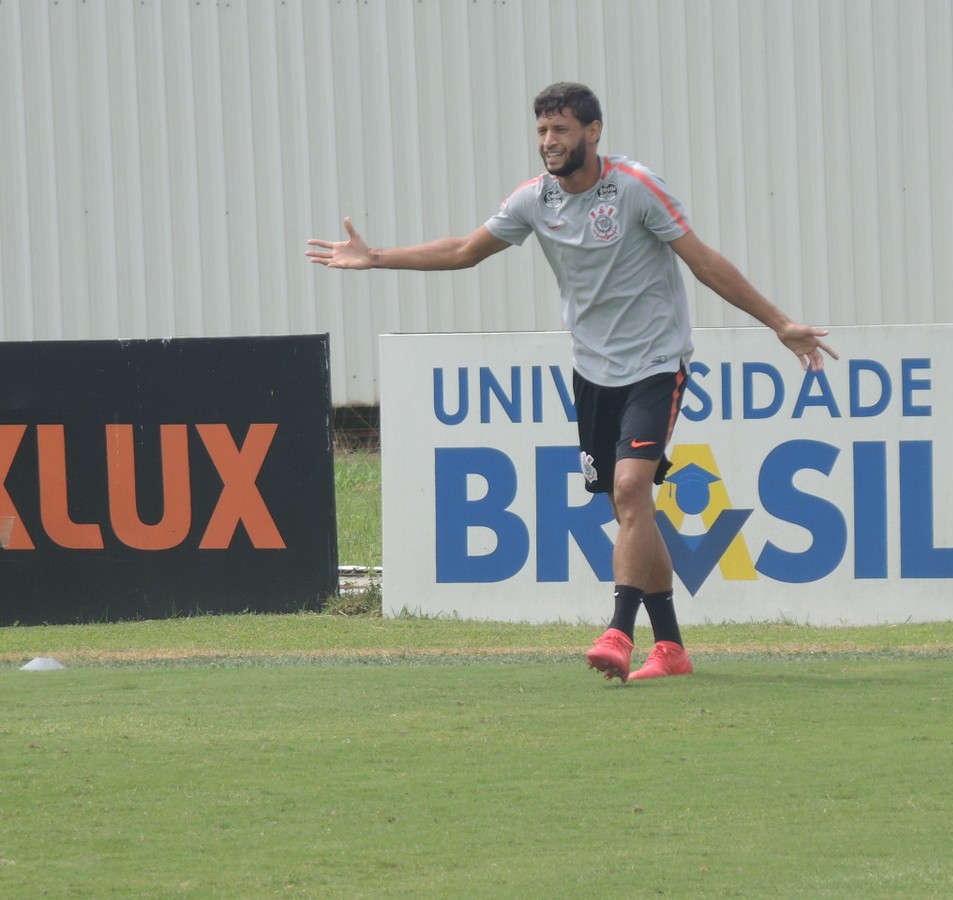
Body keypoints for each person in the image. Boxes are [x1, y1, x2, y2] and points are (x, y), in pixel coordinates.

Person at [307, 82, 836, 682]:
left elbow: (703, 261)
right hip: (592, 373)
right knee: (629, 508)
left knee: (633, 490)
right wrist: (375, 258)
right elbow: (463, 251)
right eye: (541, 132)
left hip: (657, 365)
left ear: (593, 131)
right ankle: (672, 647)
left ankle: (618, 630)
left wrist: (779, 324)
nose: (548, 142)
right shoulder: (536, 201)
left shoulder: (635, 187)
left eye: (560, 130)